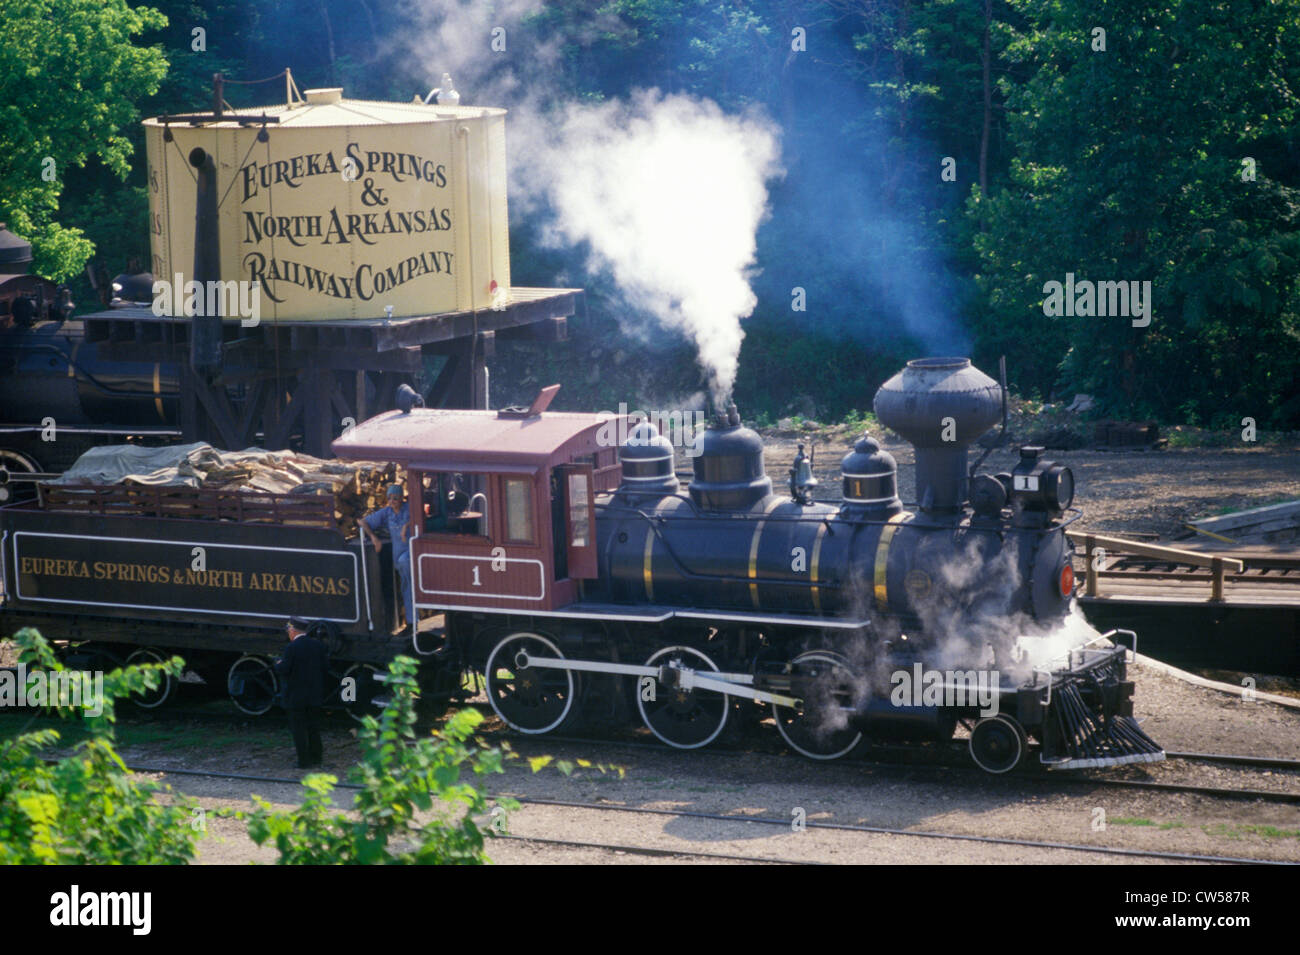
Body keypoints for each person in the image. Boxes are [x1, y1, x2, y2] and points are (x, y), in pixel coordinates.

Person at [275, 617, 330, 768]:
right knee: (313, 727)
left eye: (288, 631)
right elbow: (326, 668)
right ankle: (316, 758)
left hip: (295, 696)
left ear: (292, 630)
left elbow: (284, 669)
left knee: (298, 730)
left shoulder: (291, 648)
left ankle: (303, 761)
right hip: (314, 695)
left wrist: (278, 664)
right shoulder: (318, 646)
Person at [362, 483, 415, 634]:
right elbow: (363, 522)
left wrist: (406, 526)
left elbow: (422, 516)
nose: (392, 501)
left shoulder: (409, 509)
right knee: (404, 587)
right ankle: (409, 622)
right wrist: (373, 538)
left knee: (408, 586)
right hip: (397, 556)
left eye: (396, 498)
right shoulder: (386, 512)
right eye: (390, 498)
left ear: (402, 499)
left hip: (410, 554)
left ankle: (412, 623)